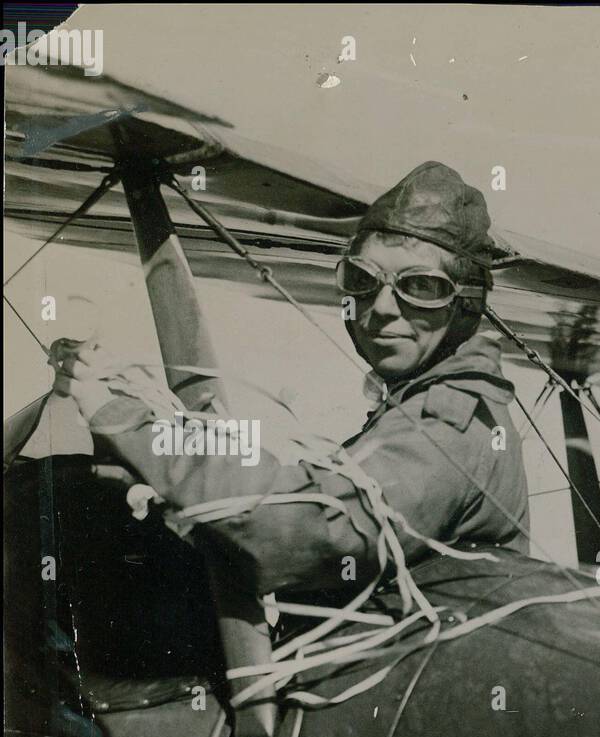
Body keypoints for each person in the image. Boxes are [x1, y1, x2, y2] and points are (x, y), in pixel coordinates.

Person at [48, 161, 529, 597]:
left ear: (466, 305)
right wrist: (167, 445)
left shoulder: (449, 422)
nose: (382, 308)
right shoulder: (430, 401)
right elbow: (311, 480)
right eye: (363, 280)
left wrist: (121, 419)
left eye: (421, 287)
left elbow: (308, 527)